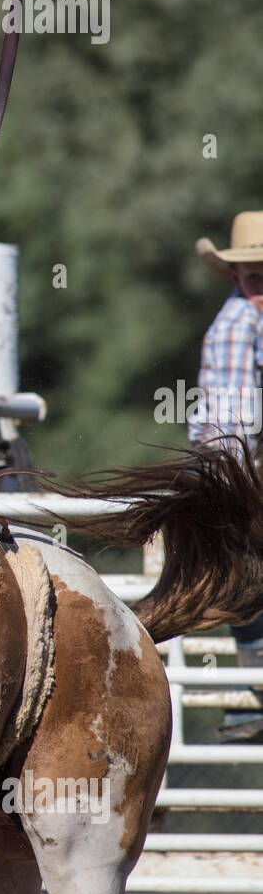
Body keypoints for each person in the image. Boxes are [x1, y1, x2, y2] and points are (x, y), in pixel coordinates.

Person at [189, 211, 263, 740]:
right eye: (256, 278)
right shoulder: (241, 327)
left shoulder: (245, 320)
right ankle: (249, 697)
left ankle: (247, 699)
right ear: (237, 278)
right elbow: (236, 428)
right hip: (237, 469)